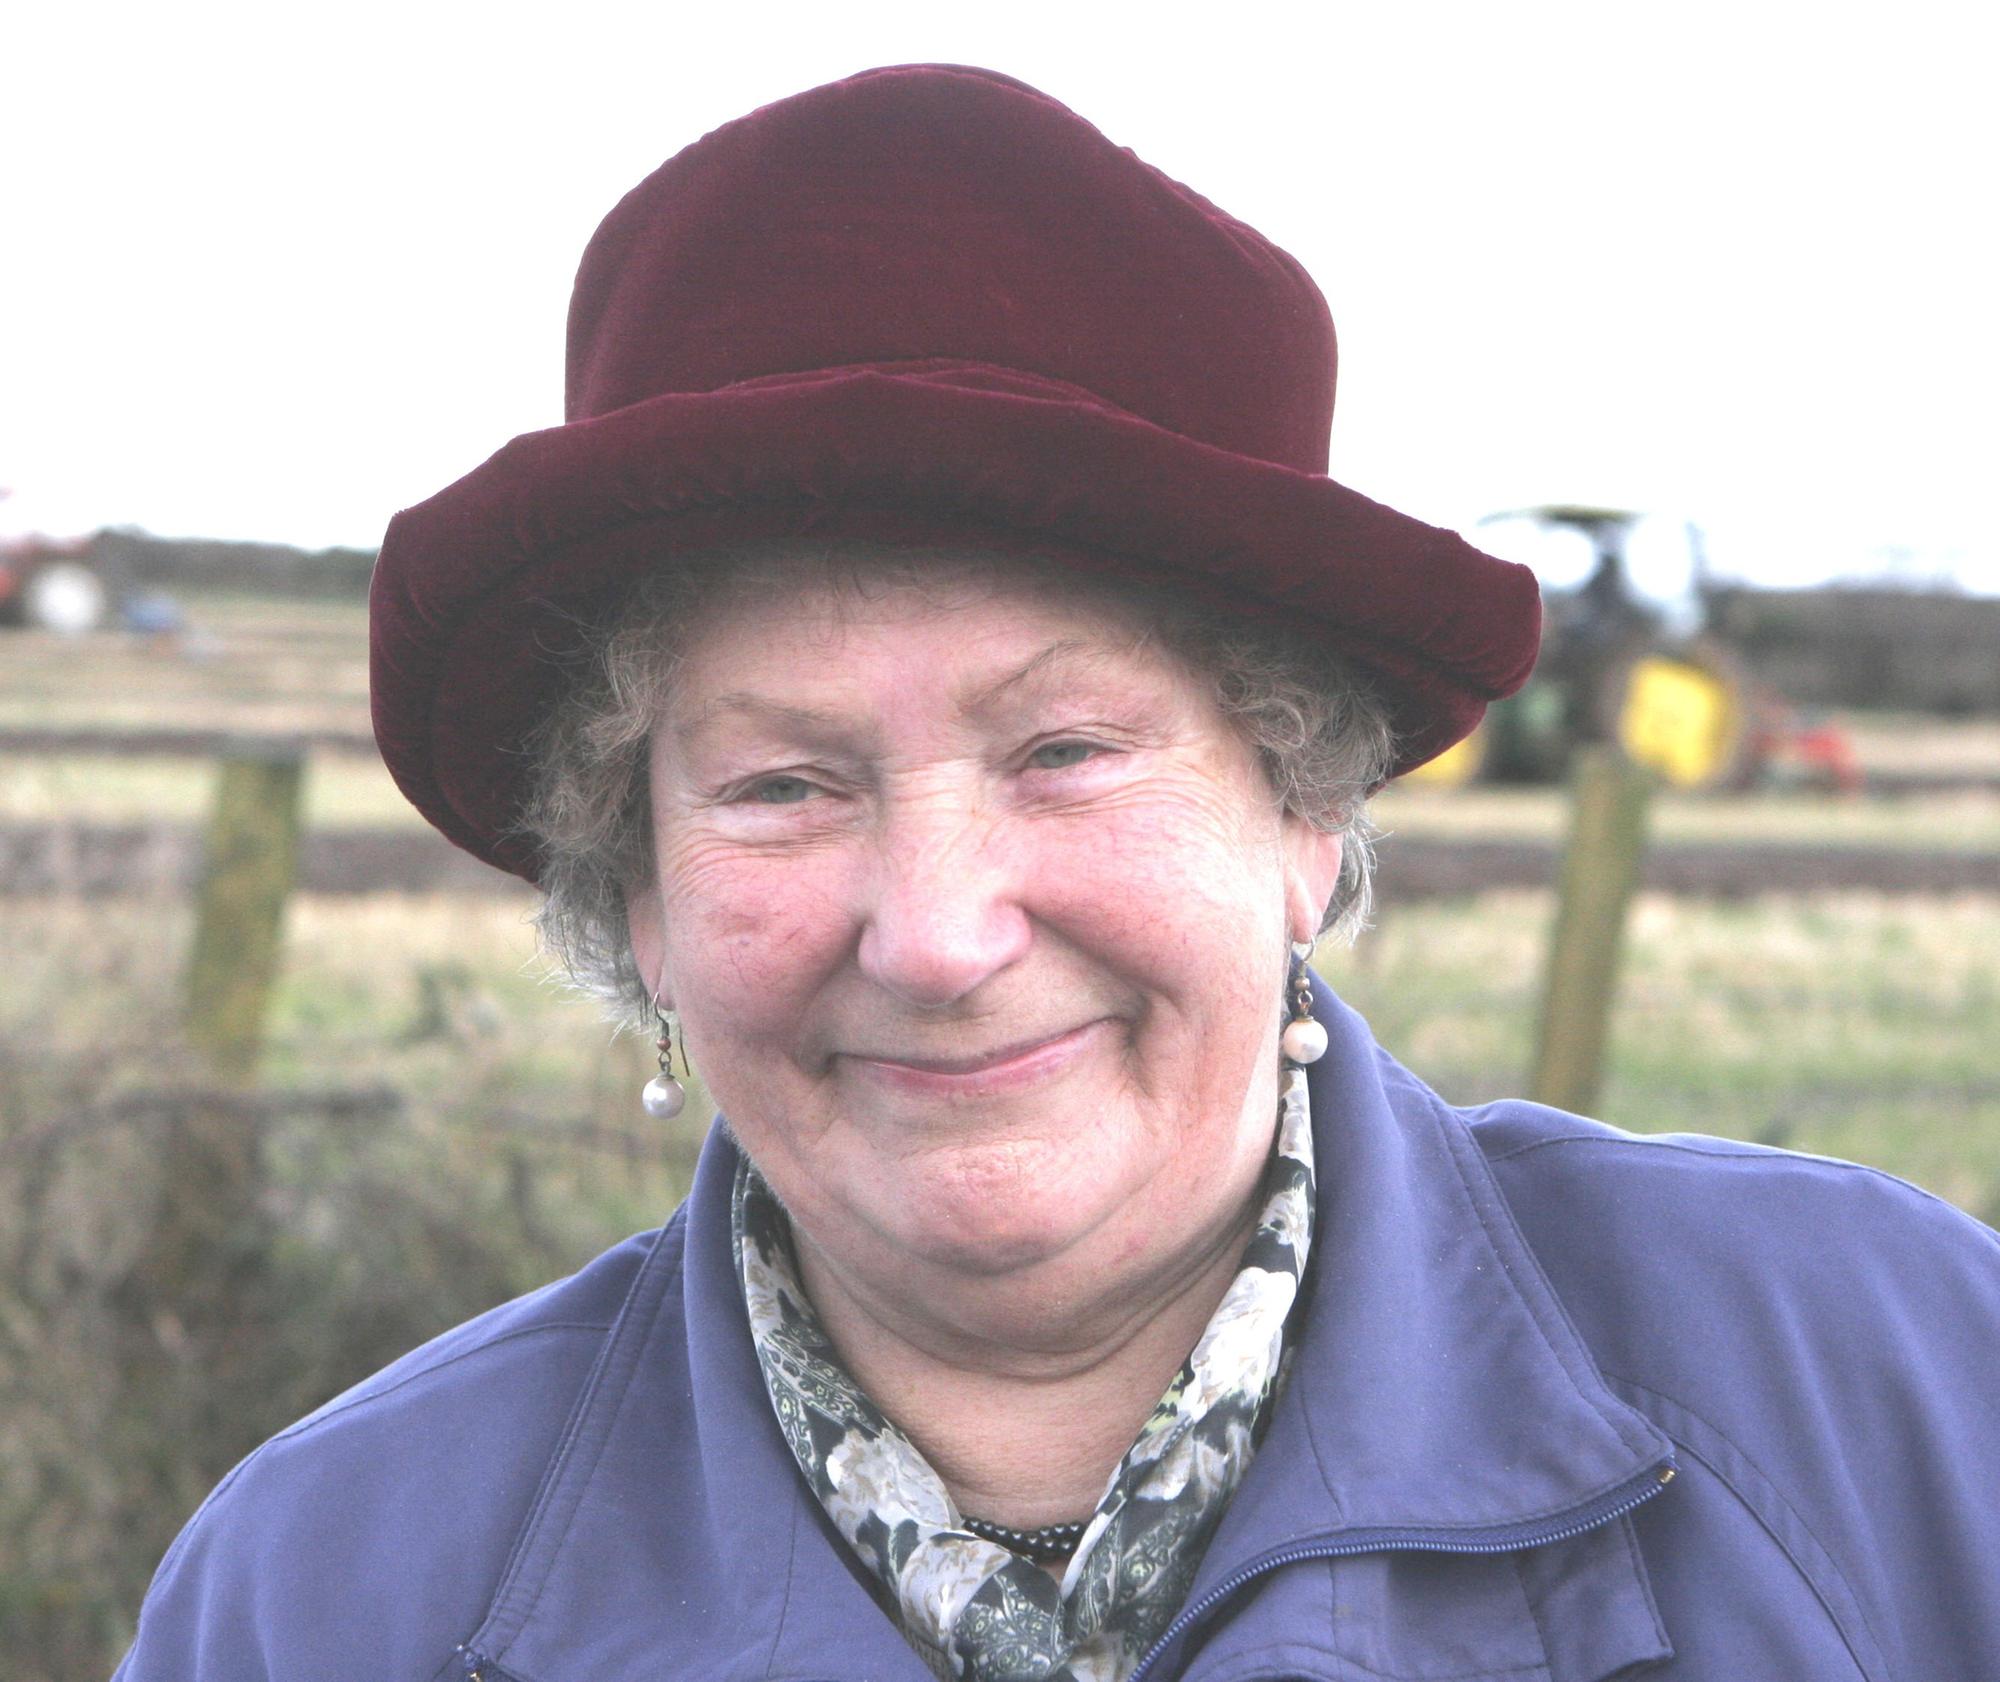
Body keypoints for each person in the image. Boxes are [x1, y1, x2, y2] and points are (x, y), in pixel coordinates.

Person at [116, 64, 2000, 1682]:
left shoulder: (1890, 1396)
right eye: (782, 785)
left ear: (1302, 809)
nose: (939, 934)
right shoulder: (319, 1597)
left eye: (1068, 751)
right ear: (642, 900)